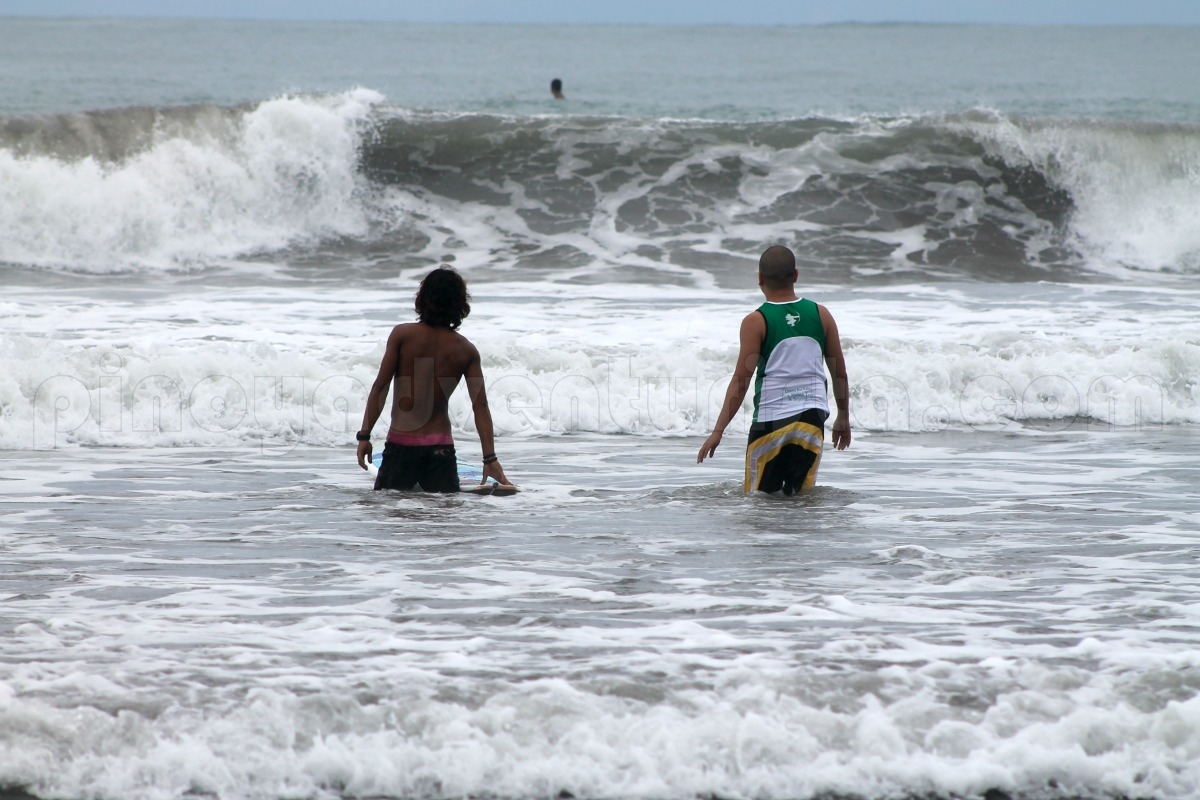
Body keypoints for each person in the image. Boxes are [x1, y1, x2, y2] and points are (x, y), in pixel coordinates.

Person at [697, 245, 850, 494]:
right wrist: (843, 415)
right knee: (799, 499)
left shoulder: (756, 321)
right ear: (796, 275)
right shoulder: (821, 314)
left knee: (759, 501)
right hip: (812, 419)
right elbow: (839, 371)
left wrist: (718, 431)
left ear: (759, 278)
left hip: (771, 420)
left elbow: (740, 381)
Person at [356, 265, 512, 491]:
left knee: (393, 518)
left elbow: (380, 387)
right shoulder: (466, 350)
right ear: (460, 304)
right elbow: (481, 406)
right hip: (441, 450)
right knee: (443, 521)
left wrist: (364, 436)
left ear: (422, 299)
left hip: (401, 448)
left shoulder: (402, 335)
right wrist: (490, 458)